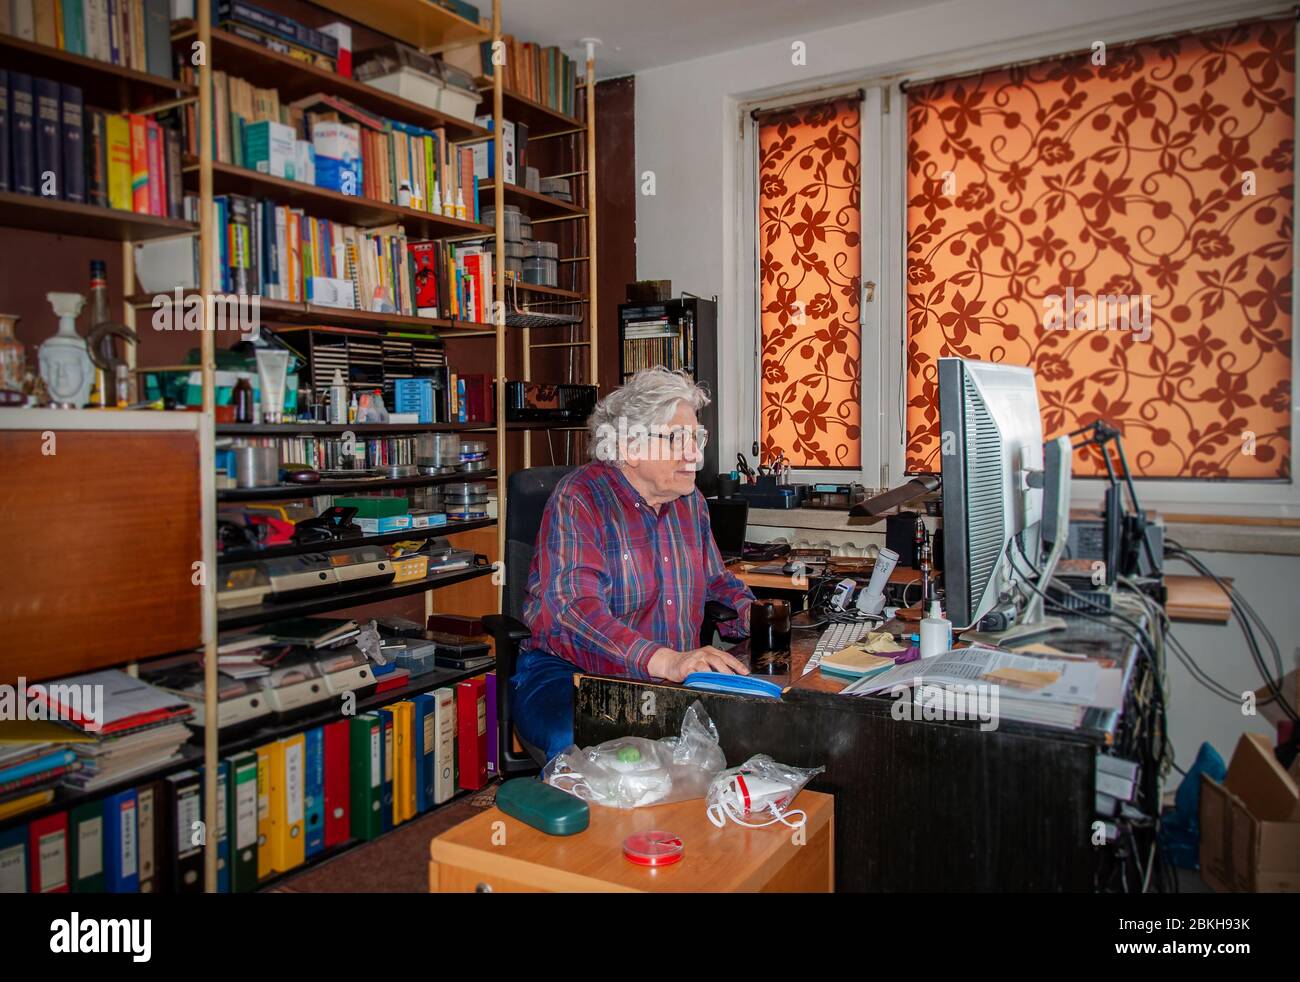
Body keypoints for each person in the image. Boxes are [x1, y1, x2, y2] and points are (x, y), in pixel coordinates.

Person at [512, 367, 756, 761]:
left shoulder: (688, 502)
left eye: (697, 438)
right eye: (677, 439)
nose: (694, 453)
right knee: (587, 751)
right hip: (572, 674)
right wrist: (667, 661)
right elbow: (574, 612)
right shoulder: (580, 498)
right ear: (629, 447)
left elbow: (717, 583)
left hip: (666, 680)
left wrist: (759, 617)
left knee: (740, 739)